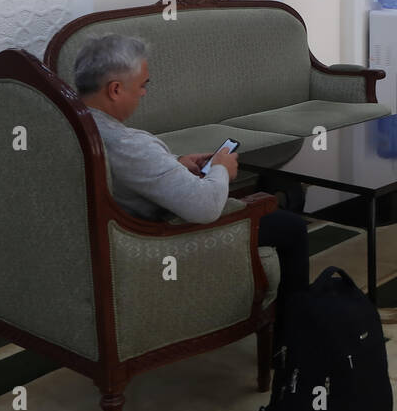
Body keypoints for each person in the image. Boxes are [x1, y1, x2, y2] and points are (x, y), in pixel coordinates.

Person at [73, 34, 309, 299]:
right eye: (142, 84)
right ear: (115, 89)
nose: (144, 92)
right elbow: (204, 207)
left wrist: (177, 164)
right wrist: (221, 168)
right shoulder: (127, 145)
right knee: (290, 226)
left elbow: (134, 172)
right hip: (155, 241)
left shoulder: (70, 124)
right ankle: (293, 330)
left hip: (104, 238)